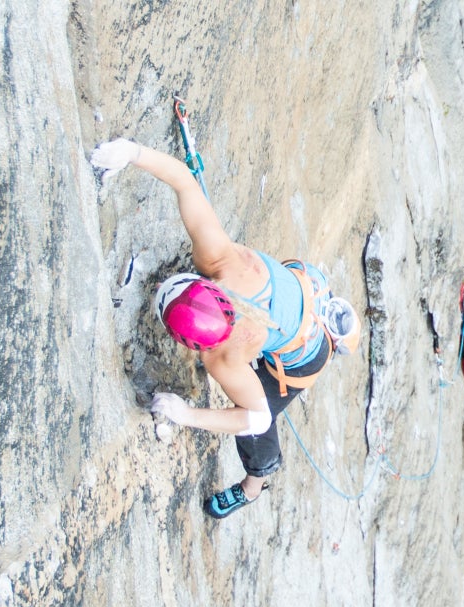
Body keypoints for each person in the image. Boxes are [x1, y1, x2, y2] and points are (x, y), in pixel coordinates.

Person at [91, 138, 355, 519]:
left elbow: (256, 417)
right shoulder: (221, 257)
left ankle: (254, 484)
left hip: (305, 353)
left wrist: (187, 415)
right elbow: (184, 182)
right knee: (256, 387)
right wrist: (131, 152)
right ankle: (328, 325)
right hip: (307, 288)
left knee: (258, 416)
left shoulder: (224, 357)